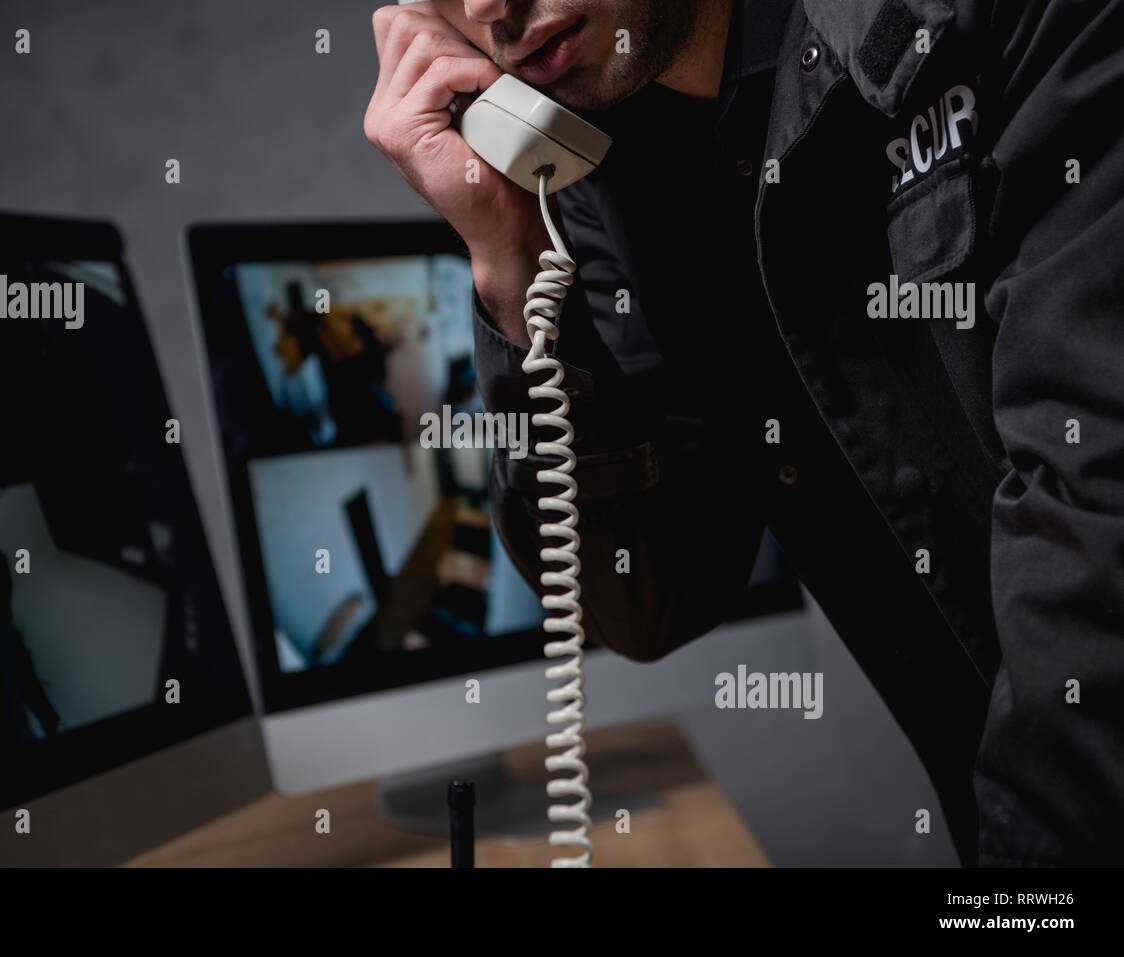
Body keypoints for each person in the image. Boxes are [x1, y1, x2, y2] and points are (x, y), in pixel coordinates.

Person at [365, 0, 1124, 867]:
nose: (489, 8)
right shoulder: (607, 166)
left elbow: (1100, 522)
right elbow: (653, 599)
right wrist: (512, 257)